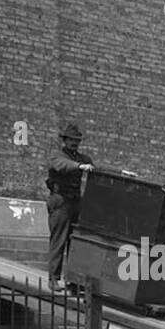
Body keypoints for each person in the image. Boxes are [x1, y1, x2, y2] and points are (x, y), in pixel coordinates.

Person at [45, 123, 94, 288]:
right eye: (72, 140)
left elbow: (95, 168)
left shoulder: (82, 158)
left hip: (75, 202)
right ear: (65, 140)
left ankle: (73, 281)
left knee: (75, 243)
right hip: (60, 201)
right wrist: (79, 166)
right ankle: (53, 278)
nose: (75, 143)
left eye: (77, 140)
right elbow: (61, 165)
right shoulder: (57, 155)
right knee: (59, 240)